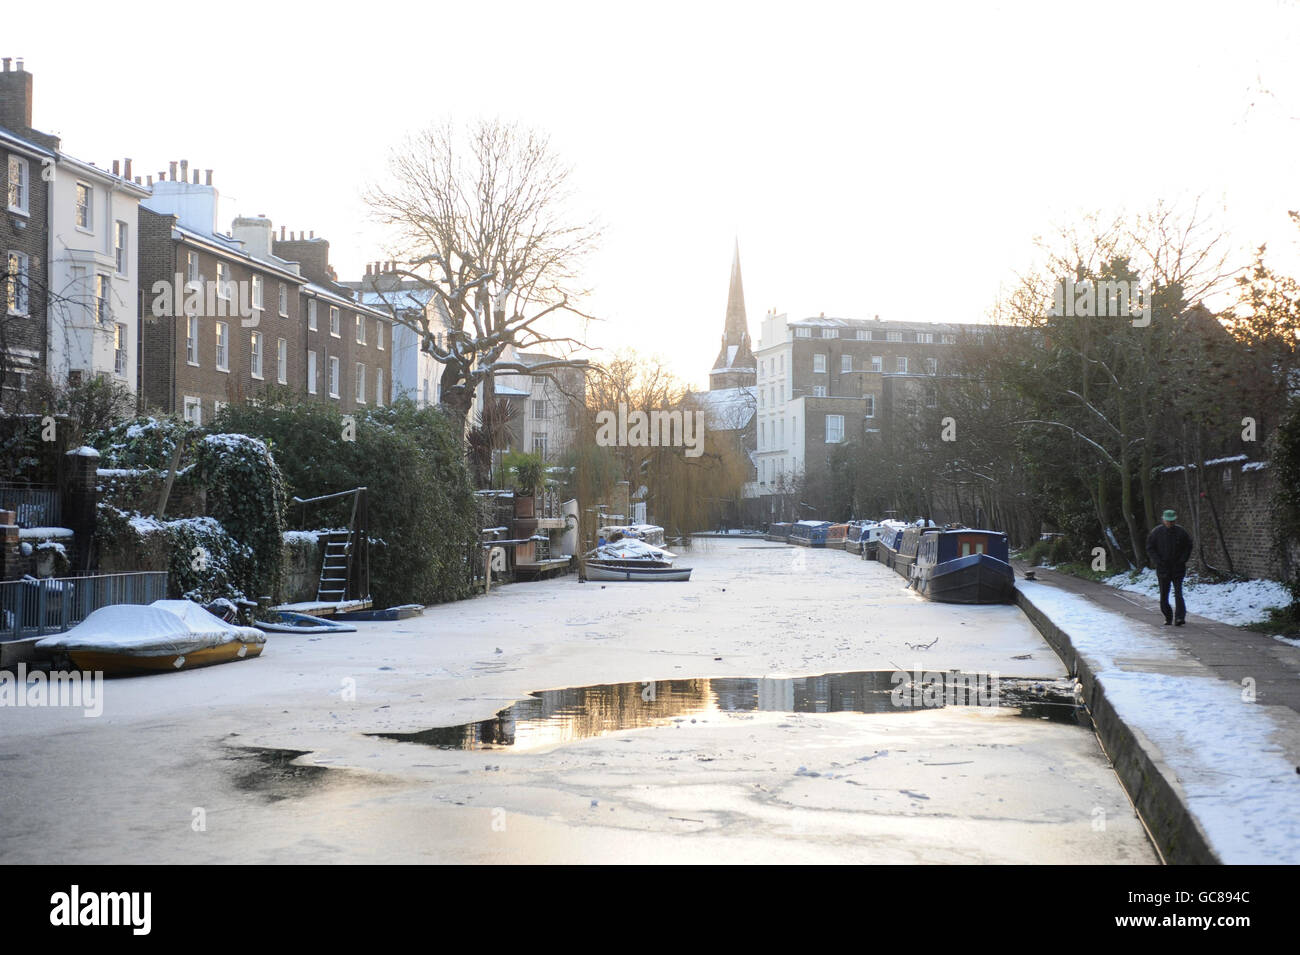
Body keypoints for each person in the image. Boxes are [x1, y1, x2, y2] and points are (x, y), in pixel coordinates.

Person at [1146, 509, 1194, 626]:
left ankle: (1179, 618)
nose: (1170, 523)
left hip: (1178, 568)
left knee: (1178, 593)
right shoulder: (1156, 533)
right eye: (1168, 521)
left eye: (1172, 521)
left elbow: (1188, 547)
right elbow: (1150, 548)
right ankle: (1168, 616)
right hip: (1163, 568)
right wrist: (1158, 561)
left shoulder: (1181, 532)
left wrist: (1182, 560)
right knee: (1164, 594)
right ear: (1163, 520)